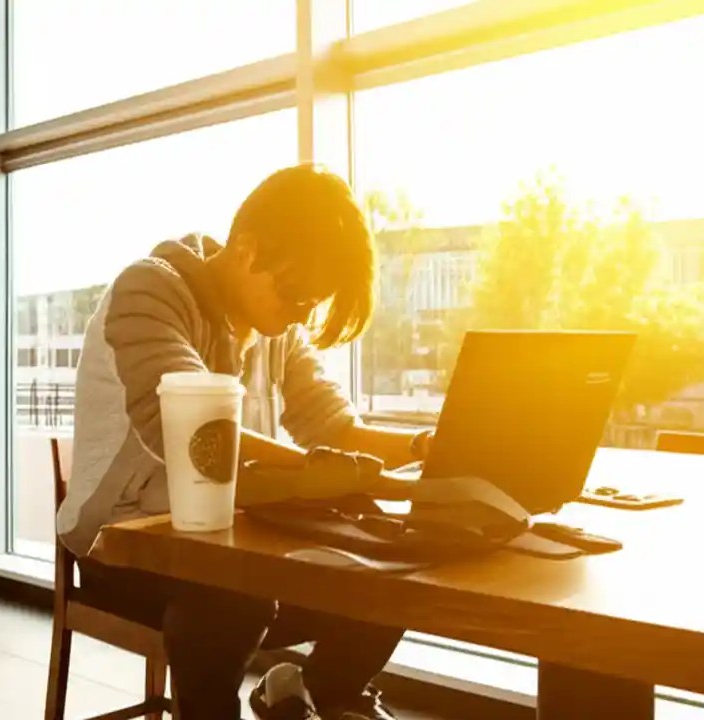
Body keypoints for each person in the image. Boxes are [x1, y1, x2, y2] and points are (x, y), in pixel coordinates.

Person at [56, 164, 432, 720]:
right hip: (126, 544)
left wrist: (430, 447)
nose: (301, 314)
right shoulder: (149, 290)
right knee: (231, 594)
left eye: (312, 303)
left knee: (396, 551)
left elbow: (334, 429)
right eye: (297, 295)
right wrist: (315, 471)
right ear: (248, 251)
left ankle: (318, 689)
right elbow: (195, 436)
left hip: (236, 539)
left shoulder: (278, 325)